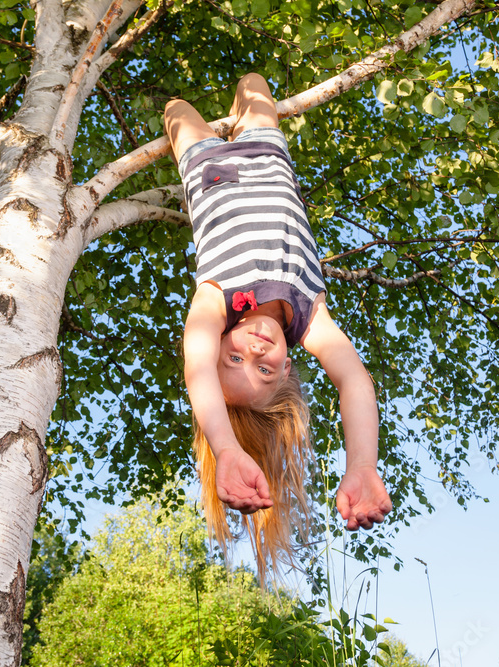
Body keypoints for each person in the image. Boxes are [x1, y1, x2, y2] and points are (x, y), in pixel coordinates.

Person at [165, 73, 393, 576]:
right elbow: (353, 379)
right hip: (268, 158)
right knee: (253, 84)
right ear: (287, 369)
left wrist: (225, 448)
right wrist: (362, 465)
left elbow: (196, 368)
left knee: (177, 109)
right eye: (265, 372)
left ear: (221, 341)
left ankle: (187, 110)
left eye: (235, 358)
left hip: (206, 172)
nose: (256, 351)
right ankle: (244, 99)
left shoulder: (214, 302)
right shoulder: (313, 321)